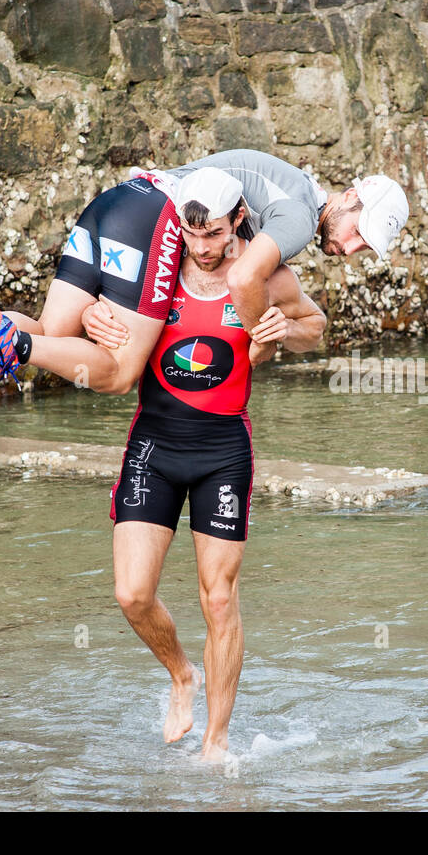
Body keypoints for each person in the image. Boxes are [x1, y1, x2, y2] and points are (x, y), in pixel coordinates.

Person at [0, 150, 409, 415]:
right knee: (118, 373)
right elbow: (247, 275)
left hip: (119, 200)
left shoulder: (287, 183)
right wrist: (260, 336)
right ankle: (16, 344)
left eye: (367, 247)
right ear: (347, 196)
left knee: (57, 329)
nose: (353, 248)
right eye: (358, 233)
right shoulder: (297, 216)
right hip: (158, 220)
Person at [94, 167, 326, 761]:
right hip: (155, 440)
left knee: (219, 600)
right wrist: (95, 315)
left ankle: (216, 743)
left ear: (237, 222)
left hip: (223, 449)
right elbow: (97, 315)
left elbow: (314, 327)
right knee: (131, 593)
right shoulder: (158, 267)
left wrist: (284, 330)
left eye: (214, 234)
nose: (201, 247)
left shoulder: (262, 275)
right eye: (192, 234)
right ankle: (181, 675)